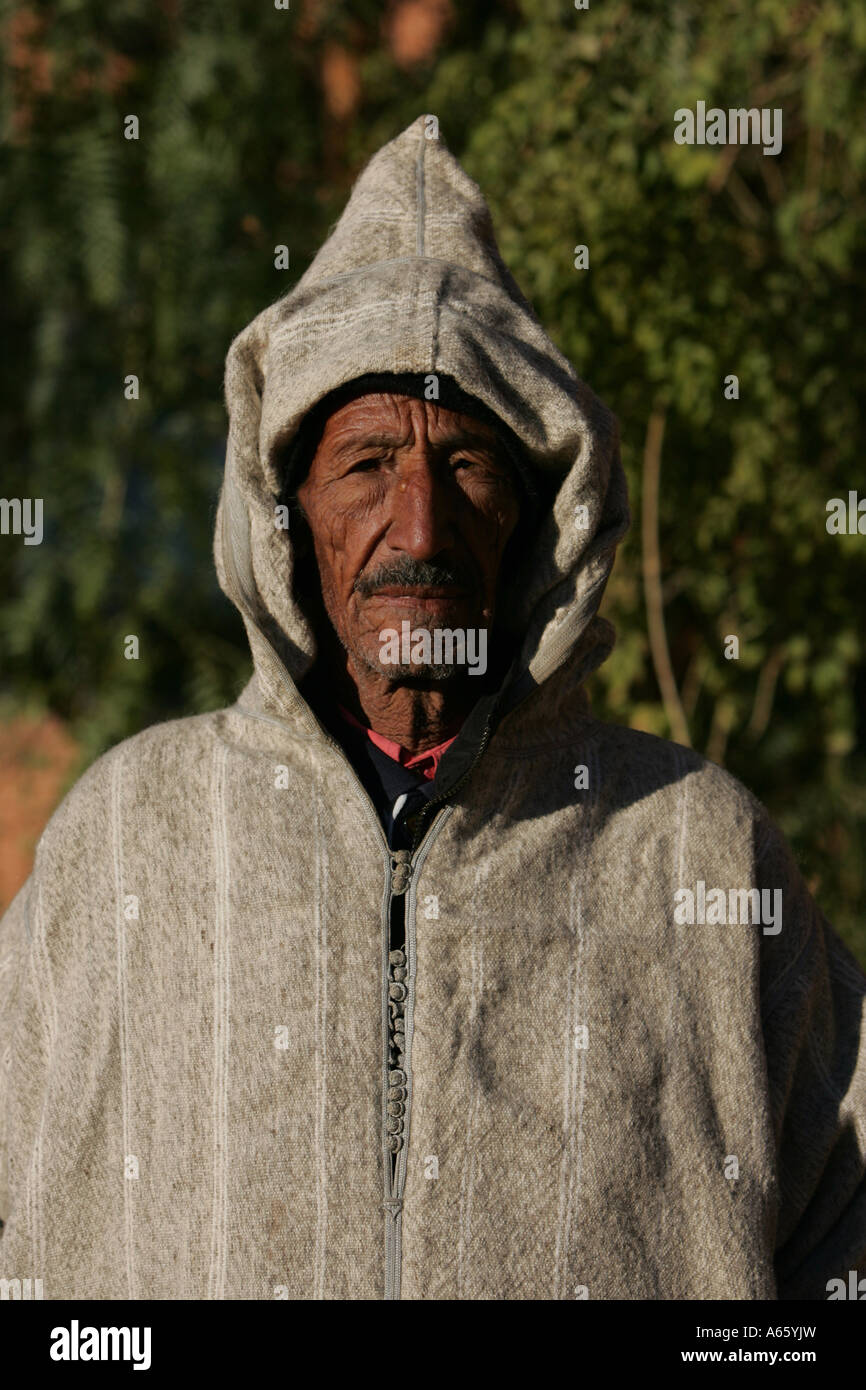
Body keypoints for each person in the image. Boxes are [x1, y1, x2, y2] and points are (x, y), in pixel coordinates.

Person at [0, 115, 864, 1302]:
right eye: (365, 464)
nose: (417, 530)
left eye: (465, 468)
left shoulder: (693, 846)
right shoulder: (127, 838)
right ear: (283, 515)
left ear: (534, 524)